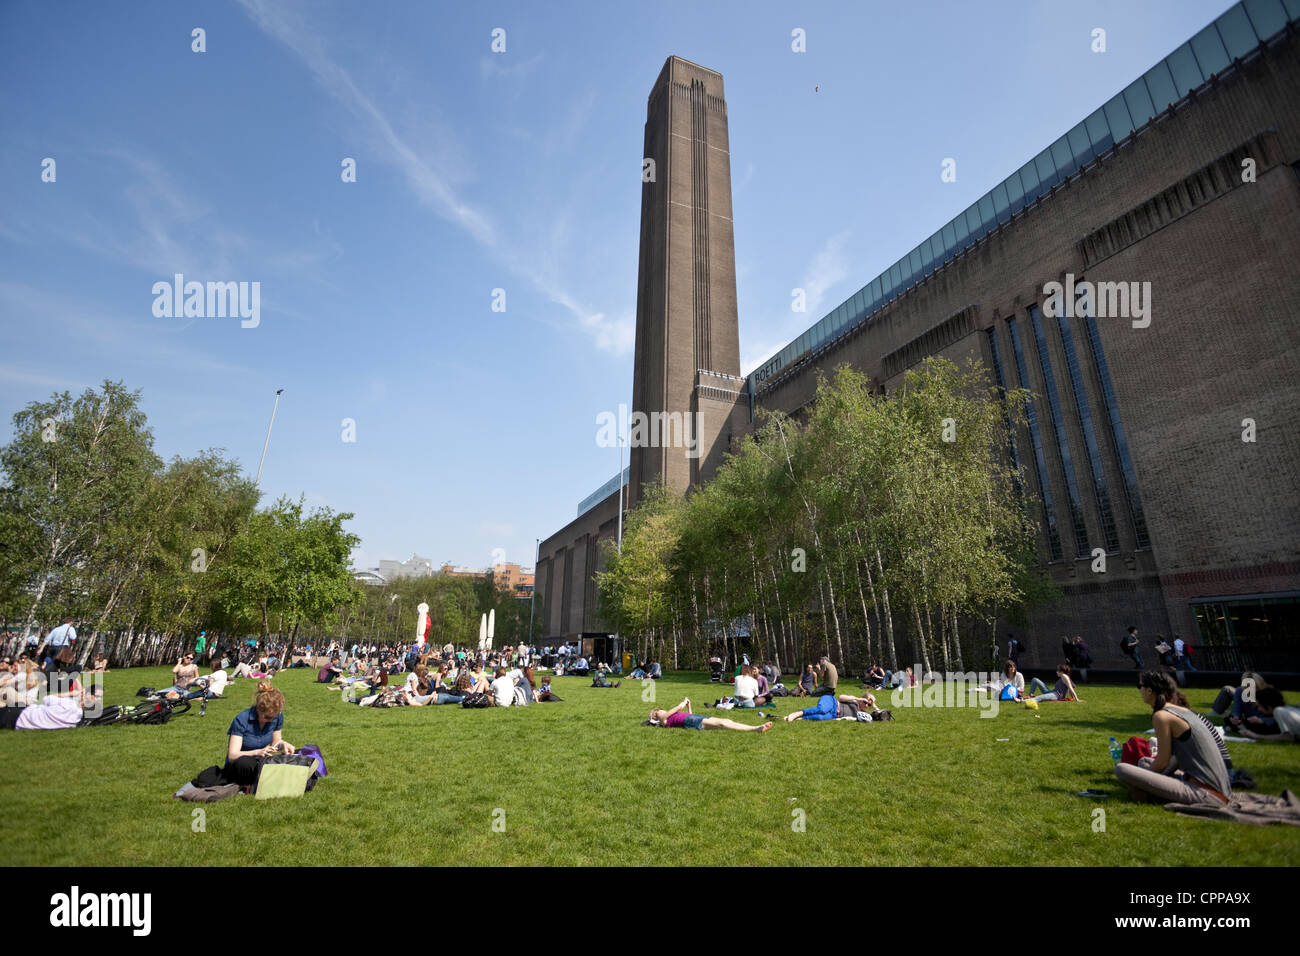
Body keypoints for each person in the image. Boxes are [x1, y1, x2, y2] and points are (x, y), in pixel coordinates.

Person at [1114, 671, 1231, 806]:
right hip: (1219, 788)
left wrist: (1142, 781)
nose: (1139, 690)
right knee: (1144, 762)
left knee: (1122, 769)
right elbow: (1174, 759)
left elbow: (1163, 762)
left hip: (1204, 792)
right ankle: (1146, 791)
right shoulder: (1182, 711)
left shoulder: (1161, 716)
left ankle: (1145, 794)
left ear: (1149, 691)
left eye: (1140, 686)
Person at [224, 681, 294, 787]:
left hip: (261, 761)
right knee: (245, 764)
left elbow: (275, 743)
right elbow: (232, 756)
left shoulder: (277, 716)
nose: (271, 720)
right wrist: (257, 752)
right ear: (258, 710)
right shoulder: (242, 719)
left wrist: (283, 744)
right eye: (267, 717)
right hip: (240, 764)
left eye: (274, 717)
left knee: (297, 754)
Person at [649, 697, 772, 733]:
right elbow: (675, 710)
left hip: (693, 718)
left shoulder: (669, 716)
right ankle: (756, 728)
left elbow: (687, 714)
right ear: (657, 719)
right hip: (691, 721)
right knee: (722, 723)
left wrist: (688, 706)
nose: (659, 711)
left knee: (726, 720)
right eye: (657, 713)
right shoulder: (664, 721)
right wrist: (681, 704)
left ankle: (755, 728)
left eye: (659, 710)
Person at [783, 692, 879, 722]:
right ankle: (798, 713)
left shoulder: (864, 715)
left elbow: (878, 714)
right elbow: (841, 697)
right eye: (866, 702)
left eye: (868, 705)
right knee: (821, 709)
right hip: (832, 702)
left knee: (820, 718)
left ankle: (797, 718)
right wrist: (858, 699)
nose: (866, 705)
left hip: (834, 715)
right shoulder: (854, 700)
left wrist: (874, 706)